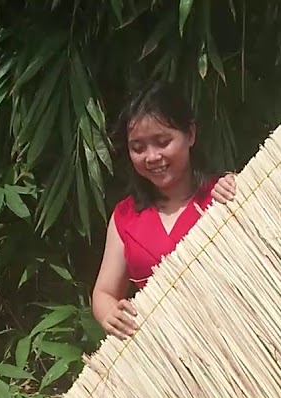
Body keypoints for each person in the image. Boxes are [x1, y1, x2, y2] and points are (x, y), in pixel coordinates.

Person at [91, 82, 238, 340]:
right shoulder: (125, 216)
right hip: (165, 349)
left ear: (190, 134)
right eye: (138, 148)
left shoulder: (222, 195)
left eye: (162, 142)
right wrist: (110, 315)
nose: (152, 157)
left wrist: (240, 192)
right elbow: (104, 292)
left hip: (234, 335)